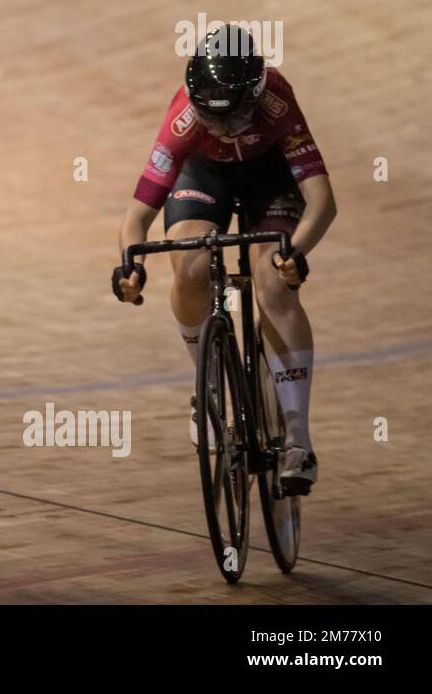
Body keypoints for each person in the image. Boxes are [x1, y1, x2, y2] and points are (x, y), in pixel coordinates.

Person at [113, 25, 337, 494]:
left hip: (269, 178)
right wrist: (129, 266)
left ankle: (298, 440)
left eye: (232, 119)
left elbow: (322, 202)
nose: (219, 129)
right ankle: (207, 385)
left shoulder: (278, 101)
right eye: (210, 119)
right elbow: (136, 219)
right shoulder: (184, 122)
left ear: (254, 97)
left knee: (272, 281)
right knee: (191, 266)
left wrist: (296, 253)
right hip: (205, 175)